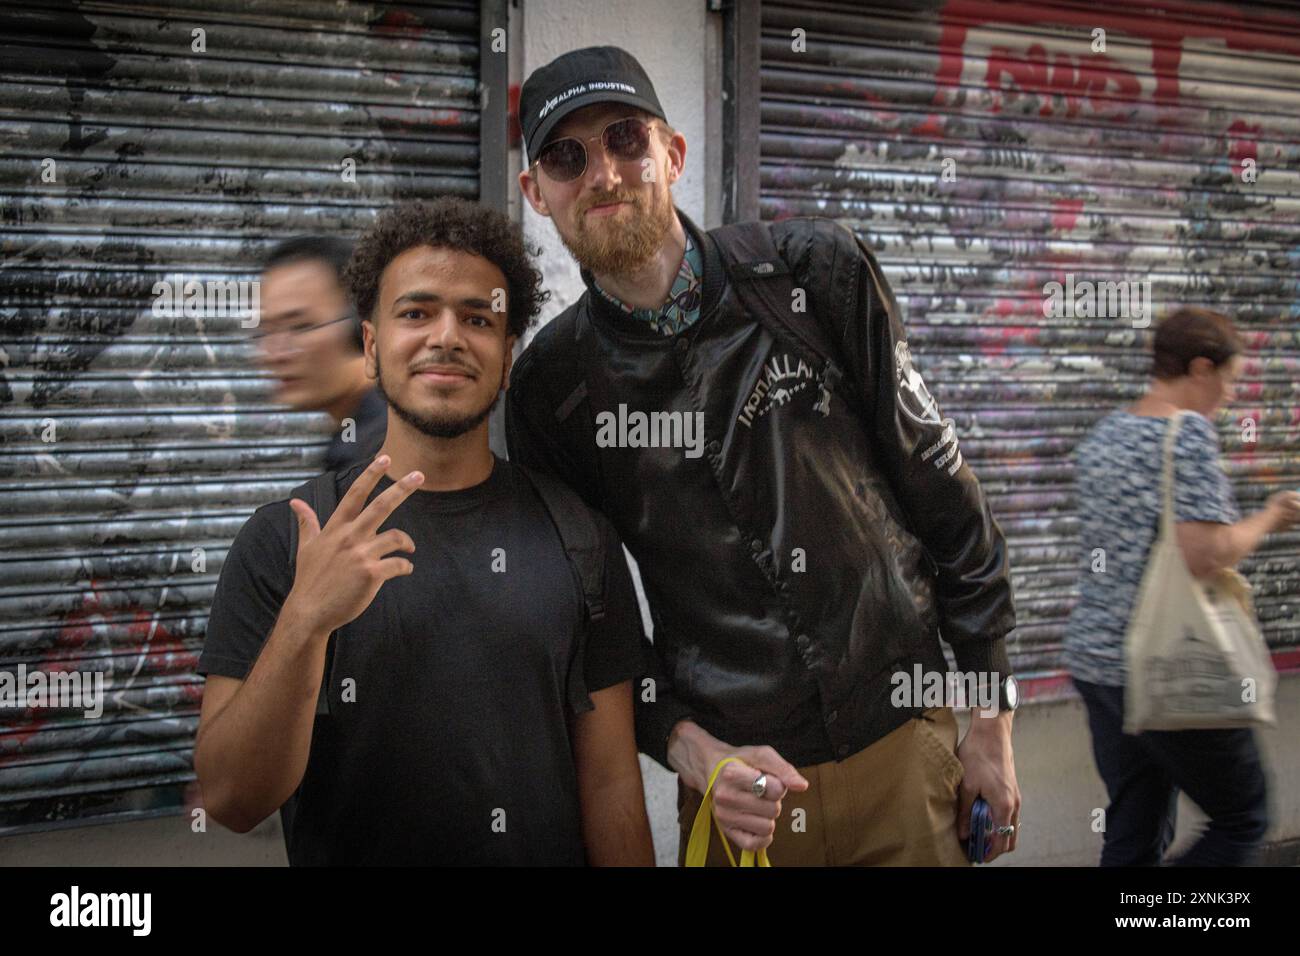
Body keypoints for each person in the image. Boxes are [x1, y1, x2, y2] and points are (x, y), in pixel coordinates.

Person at [506, 46, 1021, 866]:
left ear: (670, 154)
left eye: (625, 139)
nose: (602, 173)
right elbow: (593, 620)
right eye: (567, 156)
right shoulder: (551, 391)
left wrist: (989, 716)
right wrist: (683, 748)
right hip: (738, 790)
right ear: (537, 193)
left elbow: (942, 489)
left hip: (900, 748)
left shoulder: (812, 274)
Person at [195, 198, 655, 866]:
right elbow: (232, 802)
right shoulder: (285, 540)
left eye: (478, 318)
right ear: (374, 343)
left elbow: (612, 786)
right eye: (416, 313)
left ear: (507, 353)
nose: (447, 336)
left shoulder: (579, 537)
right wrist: (305, 620)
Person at [1065, 307, 1300, 866]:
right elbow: (1206, 555)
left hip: (1098, 663)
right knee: (1244, 818)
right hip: (1164, 662)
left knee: (1134, 826)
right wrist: (1272, 515)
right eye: (1230, 380)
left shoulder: (1105, 434)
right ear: (1200, 368)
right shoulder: (1186, 432)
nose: (1230, 397)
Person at [255, 236, 386, 471]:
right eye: (266, 331)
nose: (274, 354)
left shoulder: (384, 454)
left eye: (300, 326)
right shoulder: (353, 429)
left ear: (361, 329)